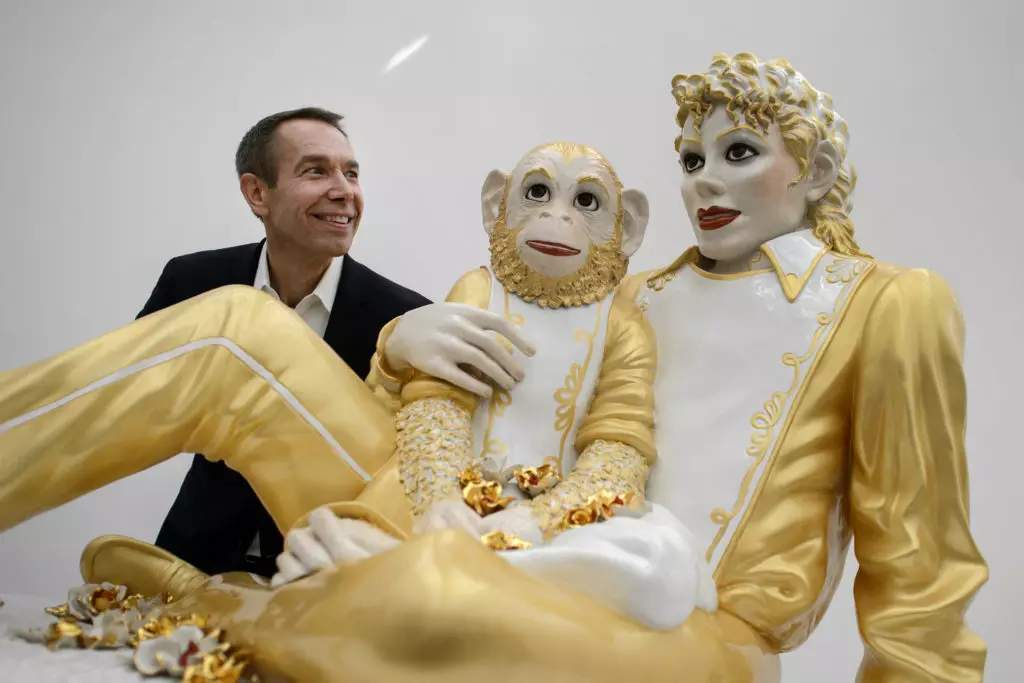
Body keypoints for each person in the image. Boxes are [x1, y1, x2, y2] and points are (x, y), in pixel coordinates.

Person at [141, 107, 430, 578]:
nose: (345, 191)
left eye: (351, 173)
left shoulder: (405, 319)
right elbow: (137, 408)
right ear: (258, 193)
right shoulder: (192, 282)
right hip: (194, 560)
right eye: (317, 171)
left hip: (331, 578)